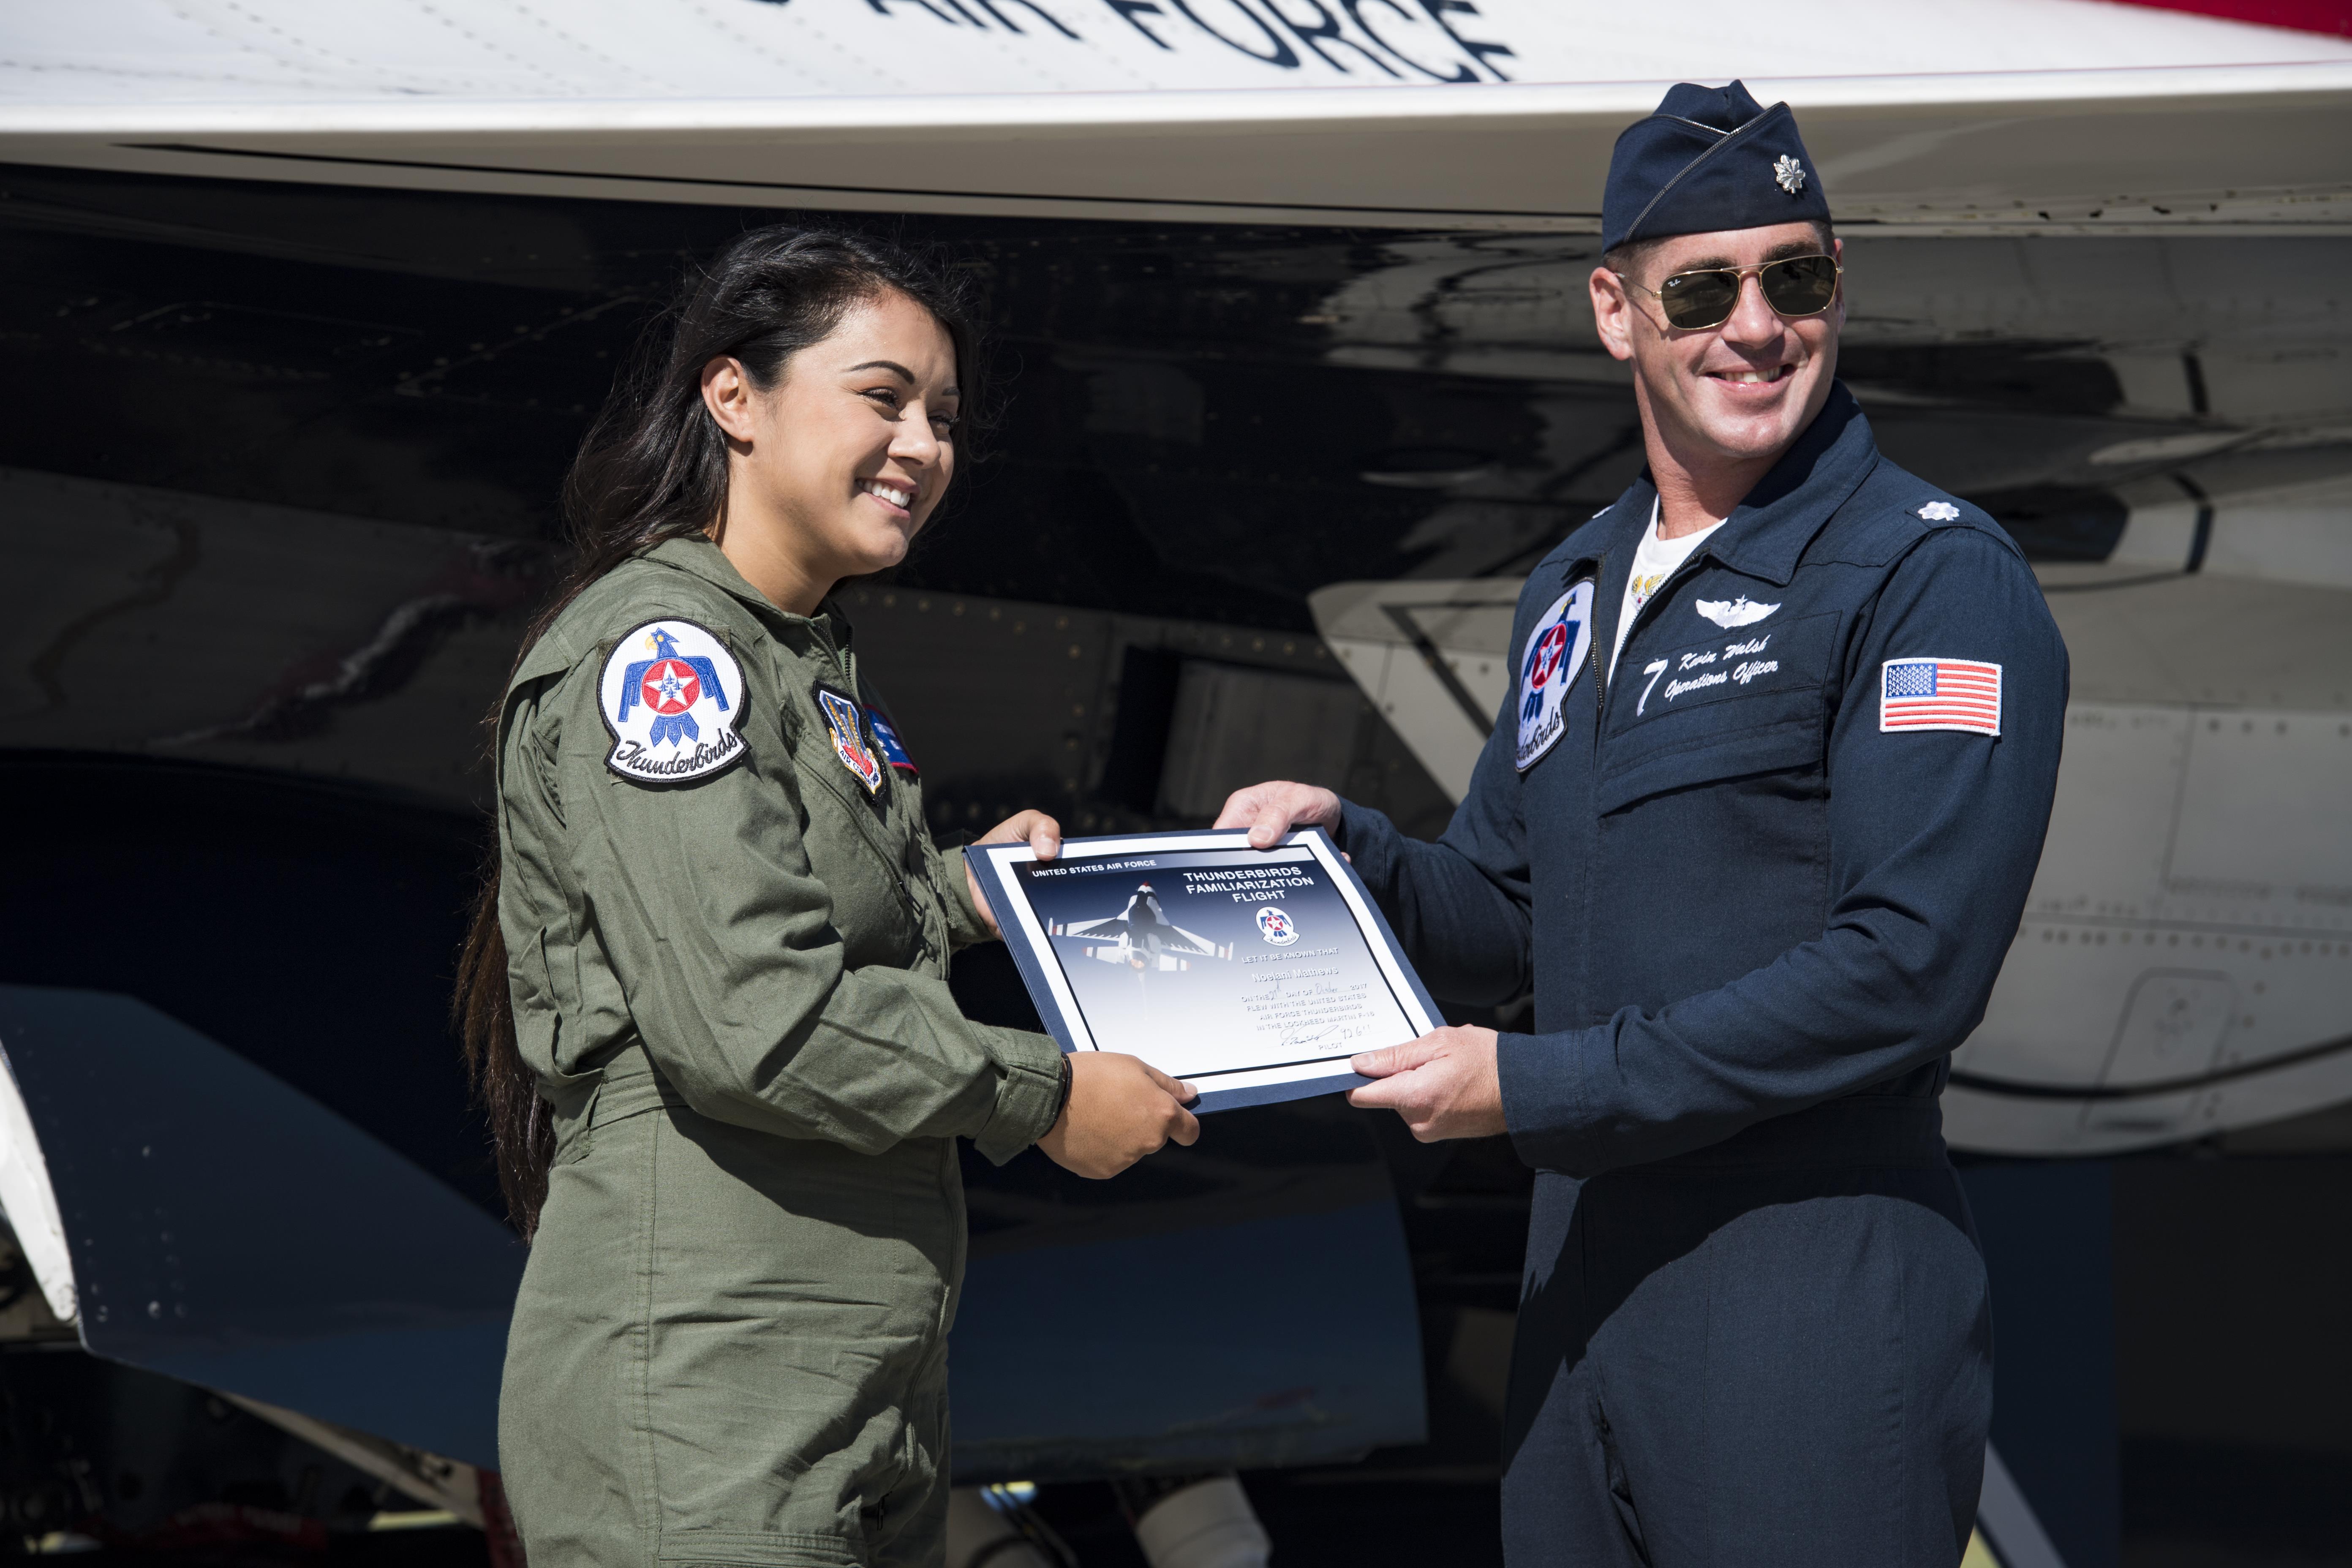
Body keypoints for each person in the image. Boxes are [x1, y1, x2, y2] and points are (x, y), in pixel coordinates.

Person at [1220, 82, 2066, 1566]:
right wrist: (1348, 847)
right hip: (1580, 1311)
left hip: (1801, 1300)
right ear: (1617, 311)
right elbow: (1502, 910)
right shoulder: (1579, 584)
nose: (1758, 327)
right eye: (1704, 289)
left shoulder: (1928, 575)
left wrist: (1541, 1092)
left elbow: (1910, 967)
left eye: (1796, 278)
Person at [453, 226, 1199, 1568]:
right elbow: (760, 1021)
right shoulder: (665, 655)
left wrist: (972, 895)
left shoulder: (802, 659)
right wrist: (1051, 1099)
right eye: (883, 396)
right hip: (711, 1397)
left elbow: (804, 916)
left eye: (945, 416)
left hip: (845, 1387)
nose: (925, 444)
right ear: (732, 398)